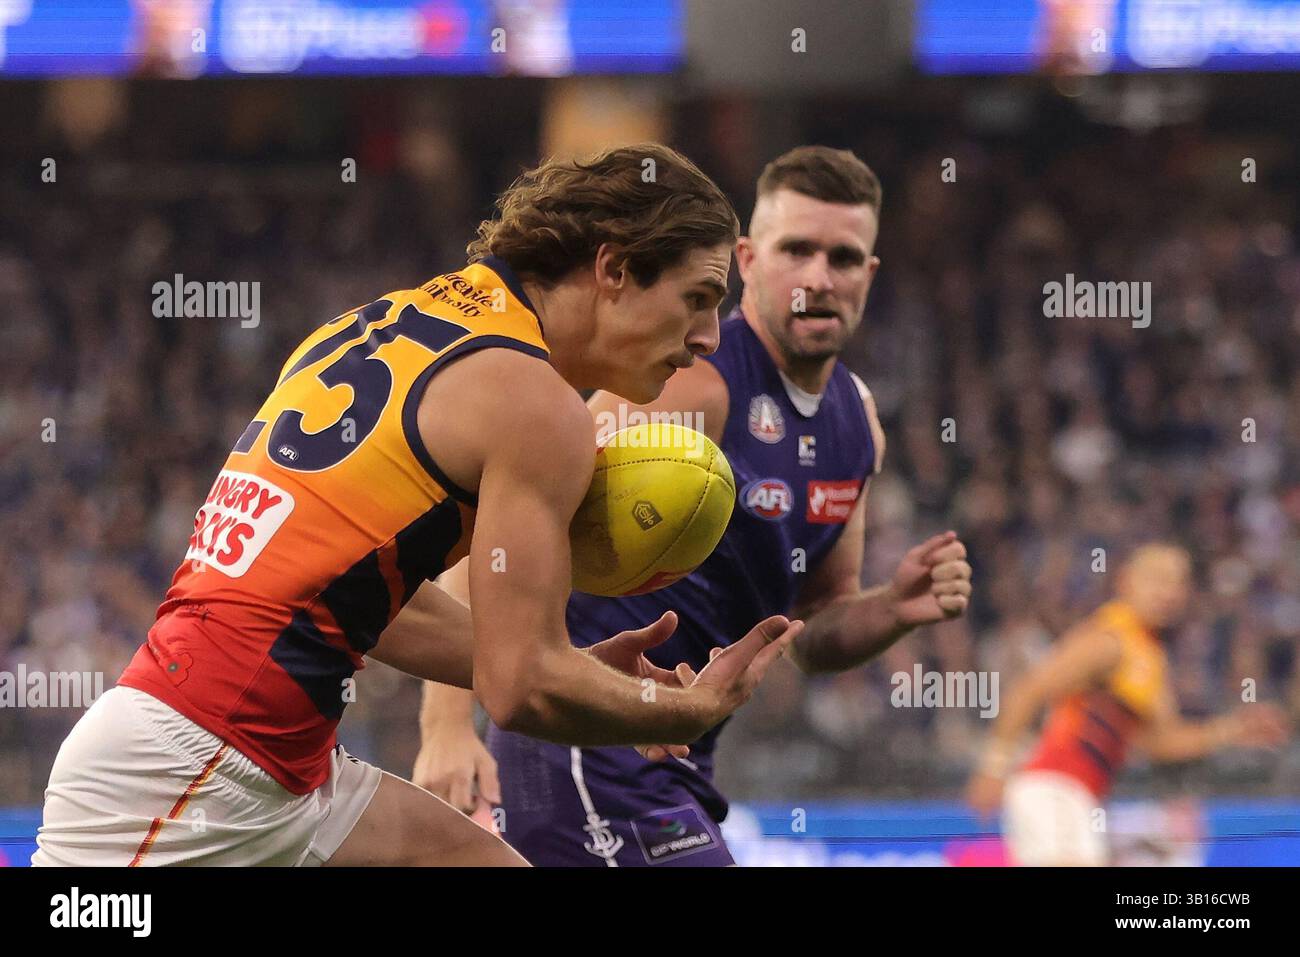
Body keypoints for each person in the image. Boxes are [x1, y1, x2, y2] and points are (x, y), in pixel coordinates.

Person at [32, 143, 804, 868]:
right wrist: (677, 709)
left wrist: (571, 669)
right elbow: (520, 687)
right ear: (613, 268)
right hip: (189, 766)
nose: (708, 336)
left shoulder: (378, 325)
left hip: (261, 764)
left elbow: (364, 594)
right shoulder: (537, 405)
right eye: (697, 299)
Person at [416, 146, 974, 866]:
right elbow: (497, 517)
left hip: (676, 758)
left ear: (867, 274)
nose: (817, 277)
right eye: (796, 249)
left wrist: (892, 610)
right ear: (746, 258)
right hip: (579, 750)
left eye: (842, 257)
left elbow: (813, 632)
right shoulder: (693, 385)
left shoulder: (856, 424)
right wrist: (444, 724)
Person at [967, 543, 1289, 866]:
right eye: (1158, 579)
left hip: (1081, 798)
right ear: (1125, 582)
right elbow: (1029, 690)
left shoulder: (1149, 656)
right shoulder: (1109, 638)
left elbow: (1161, 741)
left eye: (1179, 582)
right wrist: (994, 767)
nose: (1170, 592)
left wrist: (1231, 729)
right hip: (1052, 788)